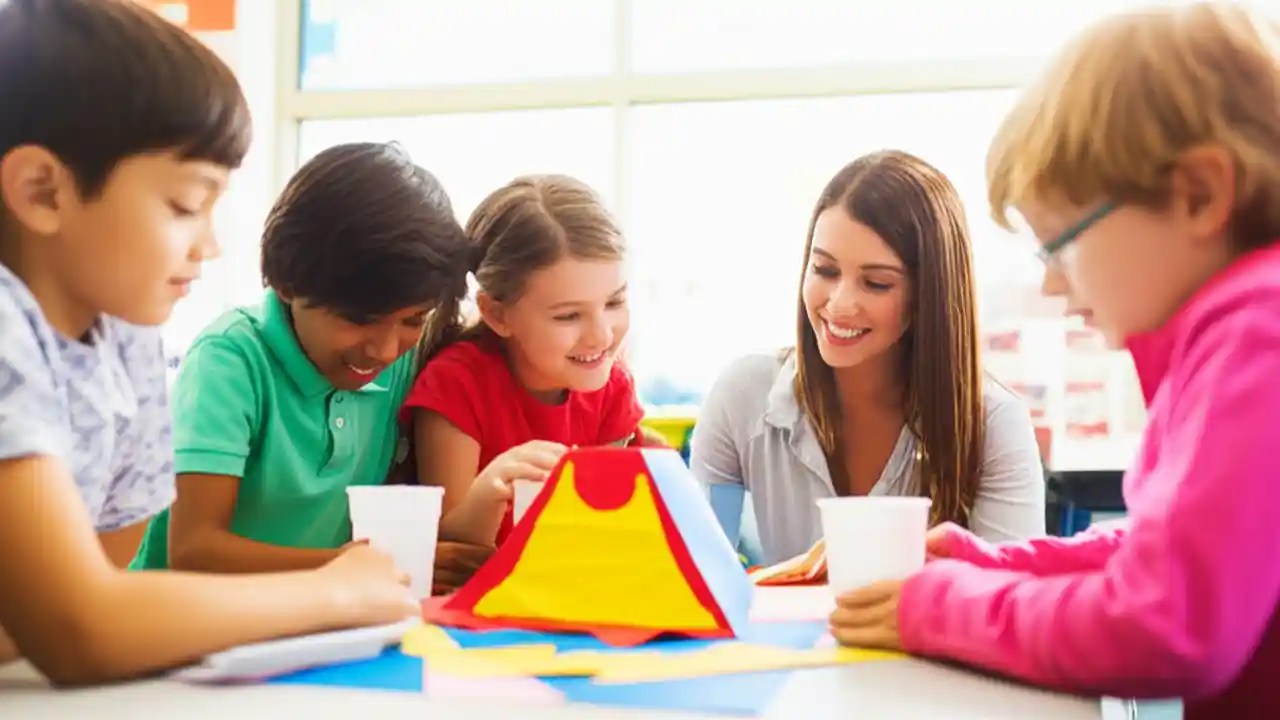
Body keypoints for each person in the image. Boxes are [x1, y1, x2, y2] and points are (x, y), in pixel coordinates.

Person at [828, 5, 1280, 718]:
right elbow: (1179, 551)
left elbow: (1166, 621)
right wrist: (996, 563)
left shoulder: (1259, 339)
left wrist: (943, 608)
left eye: (1061, 244)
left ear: (1200, 195)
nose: (1051, 283)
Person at [0, 0, 415, 685]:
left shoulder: (126, 338)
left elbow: (98, 593)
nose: (210, 243)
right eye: (186, 205)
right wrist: (334, 592)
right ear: (43, 191)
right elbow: (83, 629)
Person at [130, 142, 491, 594]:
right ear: (286, 283)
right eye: (358, 320)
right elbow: (194, 549)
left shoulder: (410, 362)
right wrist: (352, 566)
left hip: (309, 622)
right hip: (181, 623)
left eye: (412, 320)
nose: (382, 349)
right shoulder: (231, 360)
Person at [691, 150, 1045, 565]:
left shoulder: (993, 424)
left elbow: (1003, 599)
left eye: (876, 283)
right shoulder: (742, 395)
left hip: (924, 633)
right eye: (824, 270)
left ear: (929, 294)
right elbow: (698, 572)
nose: (839, 305)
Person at [401, 175, 647, 547]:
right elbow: (447, 553)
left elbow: (600, 538)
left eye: (614, 303)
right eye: (568, 316)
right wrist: (491, 491)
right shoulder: (457, 383)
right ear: (497, 315)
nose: (602, 335)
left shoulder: (612, 387)